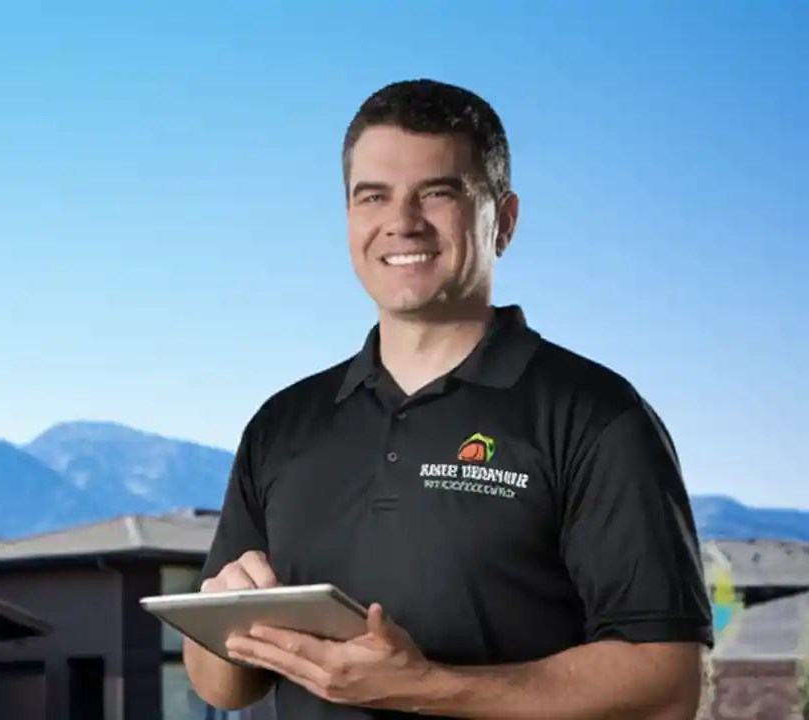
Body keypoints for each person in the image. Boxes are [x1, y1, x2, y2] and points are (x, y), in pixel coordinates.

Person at [184, 79, 712, 719]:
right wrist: (228, 614)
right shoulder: (283, 424)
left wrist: (423, 685)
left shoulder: (596, 416)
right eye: (373, 196)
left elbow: (666, 685)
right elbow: (221, 687)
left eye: (437, 193)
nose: (401, 222)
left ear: (504, 222)